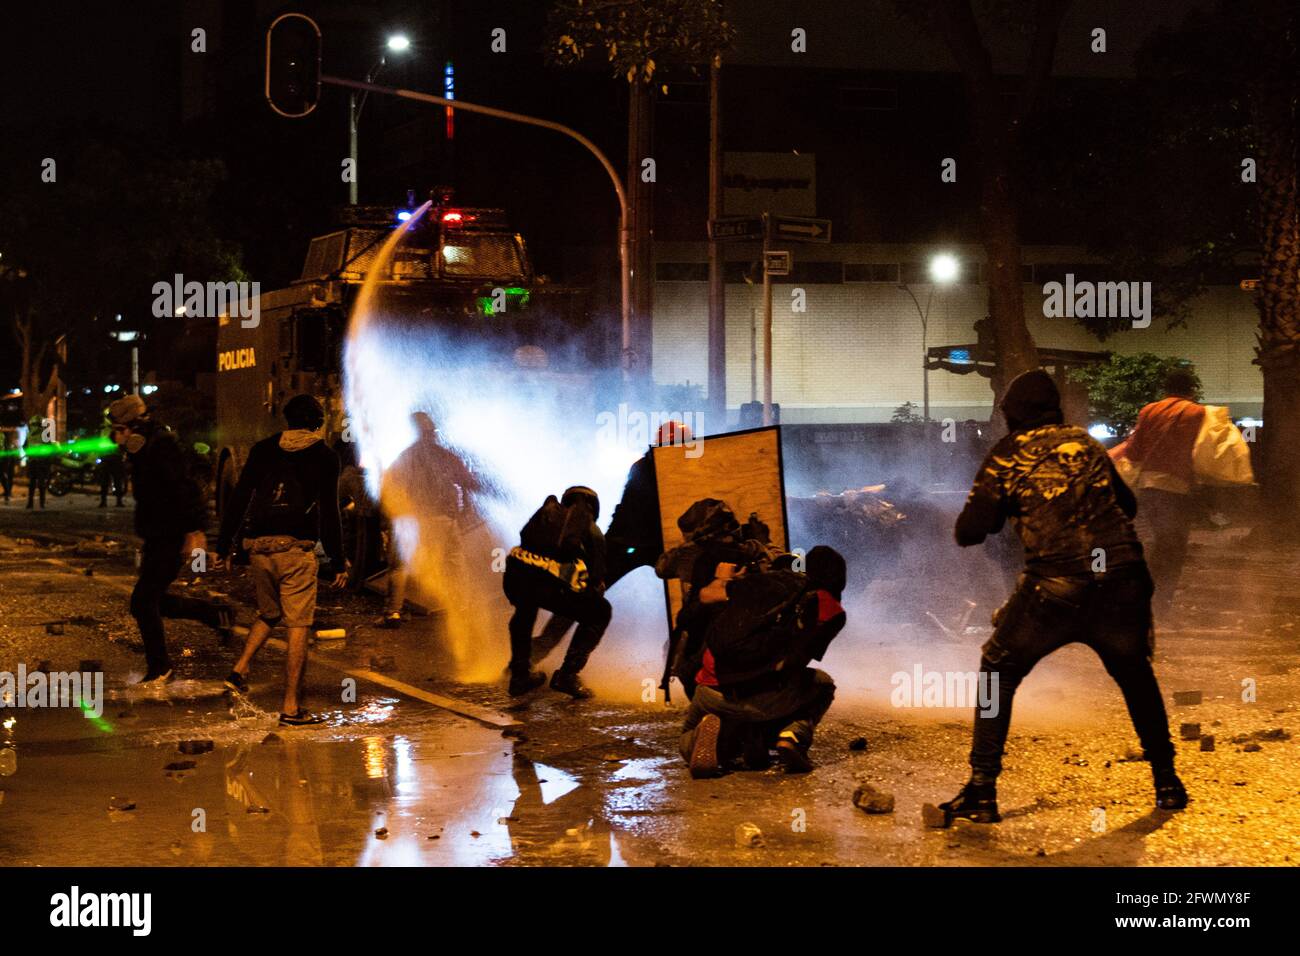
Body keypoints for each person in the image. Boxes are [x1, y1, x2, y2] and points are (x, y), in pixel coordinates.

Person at [930, 369, 1186, 826]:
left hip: (1055, 585)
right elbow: (1127, 507)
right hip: (1123, 578)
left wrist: (1005, 509)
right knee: (1135, 674)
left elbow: (969, 532)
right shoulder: (1085, 444)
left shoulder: (1007, 454)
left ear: (1013, 414)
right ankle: (1167, 782)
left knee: (997, 669)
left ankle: (982, 790)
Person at [214, 394, 347, 726]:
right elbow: (330, 511)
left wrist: (224, 545)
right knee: (298, 626)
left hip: (259, 549)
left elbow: (240, 497)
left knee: (270, 613)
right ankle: (291, 708)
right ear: (318, 423)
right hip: (294, 550)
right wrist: (338, 559)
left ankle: (239, 670)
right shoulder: (325, 457)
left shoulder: (262, 449)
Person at [530, 420, 692, 663]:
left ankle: (679, 656)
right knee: (582, 595)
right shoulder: (644, 469)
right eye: (677, 444)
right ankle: (537, 654)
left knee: (693, 595)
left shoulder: (686, 470)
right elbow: (635, 512)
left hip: (659, 543)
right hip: (628, 543)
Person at [680, 545, 847, 778]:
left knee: (690, 733)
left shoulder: (768, 581)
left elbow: (706, 596)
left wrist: (723, 578)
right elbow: (795, 664)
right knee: (823, 685)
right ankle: (791, 736)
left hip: (713, 690)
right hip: (768, 700)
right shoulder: (833, 611)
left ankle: (703, 738)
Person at [1108, 368, 1248, 618]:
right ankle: (1157, 605)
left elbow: (1134, 451)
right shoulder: (1198, 413)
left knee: (1160, 543)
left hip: (1148, 488)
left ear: (1165, 388)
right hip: (1178, 490)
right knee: (1172, 549)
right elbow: (1206, 452)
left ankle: (1144, 600)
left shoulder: (1149, 410)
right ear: (1191, 390)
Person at [107, 395, 208, 684]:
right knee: (152, 600)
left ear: (133, 428)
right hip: (156, 534)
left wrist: (193, 532)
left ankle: (160, 668)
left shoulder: (161, 446)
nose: (116, 438)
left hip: (170, 534)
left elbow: (183, 489)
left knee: (143, 601)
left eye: (119, 430)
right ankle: (215, 615)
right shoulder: (144, 450)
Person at [378, 411, 484, 628]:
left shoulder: (406, 456)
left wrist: (391, 518)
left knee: (399, 565)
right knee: (454, 564)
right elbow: (469, 482)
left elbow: (390, 488)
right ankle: (461, 610)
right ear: (433, 431)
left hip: (413, 520)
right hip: (443, 519)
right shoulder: (445, 455)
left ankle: (393, 612)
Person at [503, 486, 609, 699]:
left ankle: (519, 674)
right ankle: (567, 675)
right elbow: (596, 579)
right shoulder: (589, 526)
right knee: (601, 611)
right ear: (592, 505)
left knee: (525, 611)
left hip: (515, 575)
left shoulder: (545, 515)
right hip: (547, 583)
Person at [97, 412, 128, 508]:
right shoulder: (109, 428)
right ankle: (109, 501)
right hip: (111, 457)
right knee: (110, 481)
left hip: (112, 457)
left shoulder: (112, 428)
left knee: (113, 481)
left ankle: (110, 501)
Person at [23, 415, 53, 510]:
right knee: (40, 484)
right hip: (40, 462)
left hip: (34, 462)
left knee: (33, 484)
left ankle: (31, 504)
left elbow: (24, 447)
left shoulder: (30, 434)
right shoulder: (44, 434)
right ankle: (41, 504)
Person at [0, 427, 15, 504]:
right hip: (4, 459)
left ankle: (7, 493)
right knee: (3, 477)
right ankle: (7, 493)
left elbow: (6, 448)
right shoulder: (4, 435)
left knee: (3, 476)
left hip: (3, 460)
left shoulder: (3, 436)